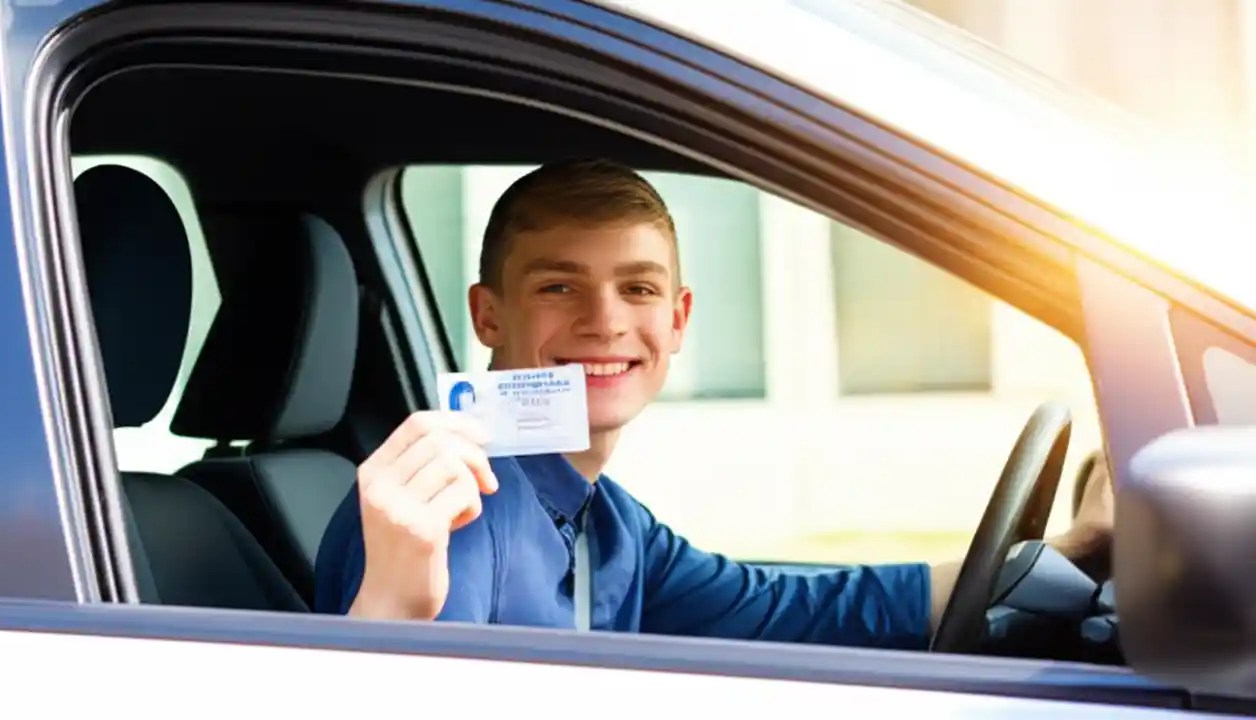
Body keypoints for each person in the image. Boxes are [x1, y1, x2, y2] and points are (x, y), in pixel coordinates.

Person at [314, 158, 1113, 647]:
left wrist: (1070, 549)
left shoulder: (611, 524)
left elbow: (790, 607)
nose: (605, 321)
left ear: (678, 319)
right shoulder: (450, 511)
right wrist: (392, 606)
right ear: (489, 314)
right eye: (560, 287)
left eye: (638, 289)